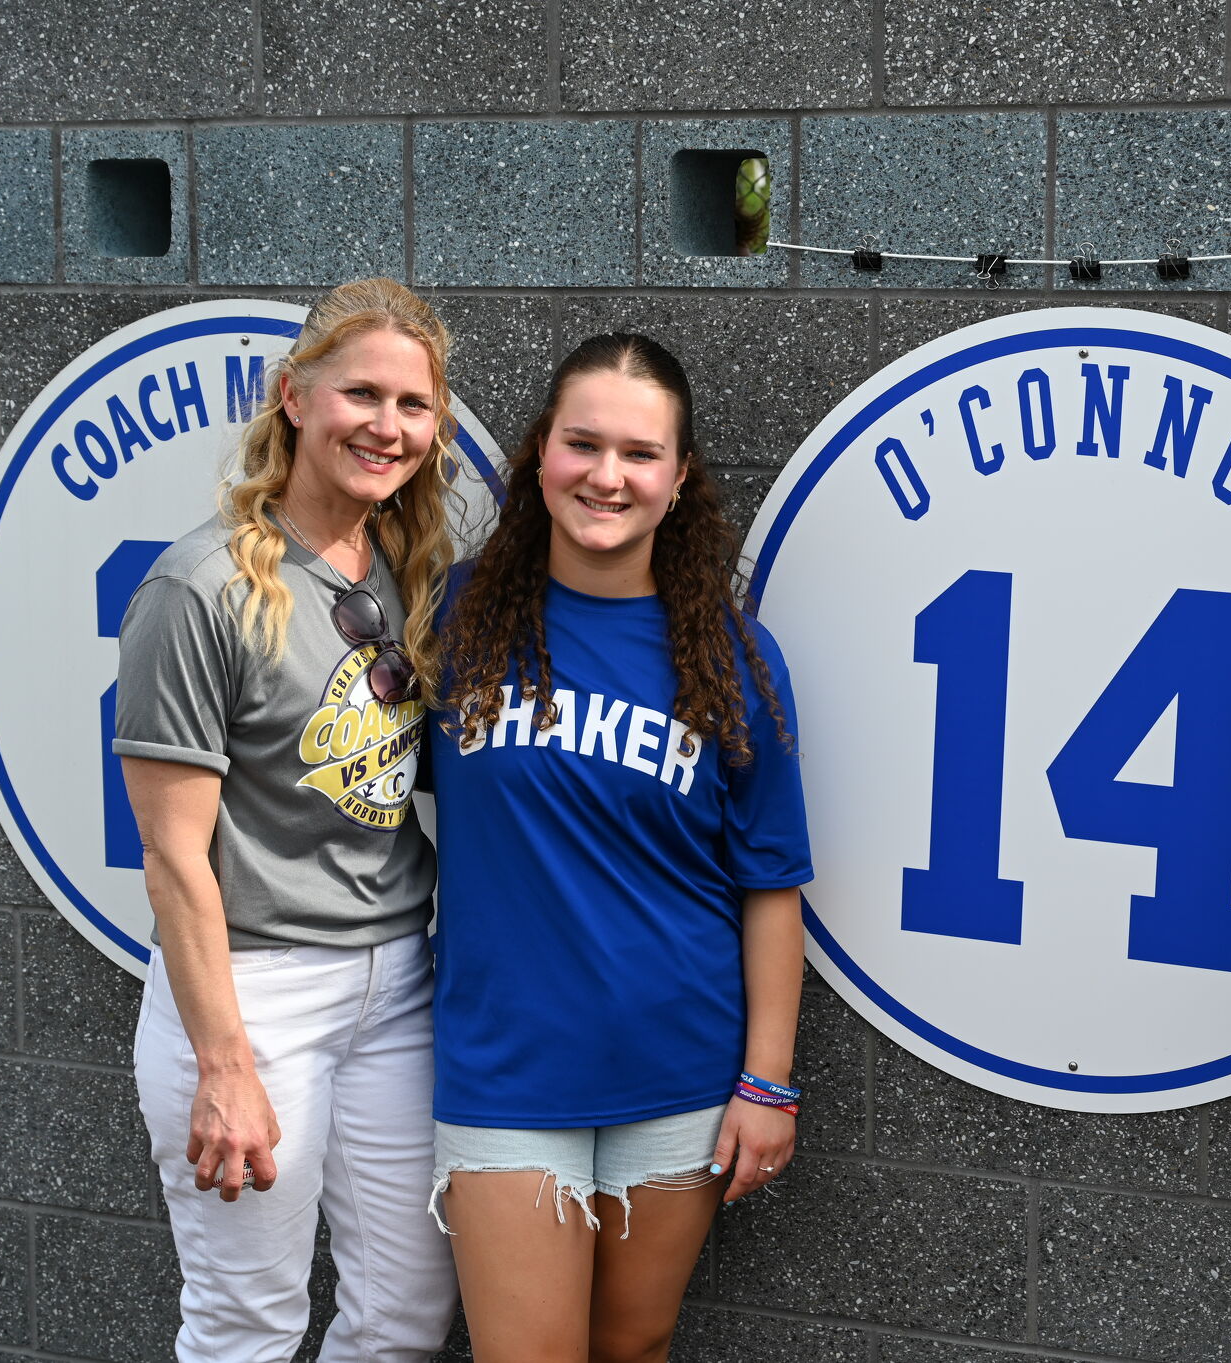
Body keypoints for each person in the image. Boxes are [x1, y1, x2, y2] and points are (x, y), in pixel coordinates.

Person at [426, 333, 811, 1363]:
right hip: (504, 1067)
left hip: (679, 1069)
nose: (607, 476)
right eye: (581, 444)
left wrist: (766, 1082)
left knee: (633, 1347)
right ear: (537, 455)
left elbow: (769, 884)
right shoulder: (455, 618)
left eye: (639, 454)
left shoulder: (732, 657)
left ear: (678, 479)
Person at [117, 277, 462, 1360]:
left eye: (413, 406)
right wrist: (225, 1064)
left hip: (396, 983)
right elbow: (174, 859)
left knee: (406, 1314)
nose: (387, 425)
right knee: (246, 1324)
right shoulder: (201, 588)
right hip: (253, 996)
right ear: (293, 398)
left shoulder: (411, 571)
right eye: (361, 392)